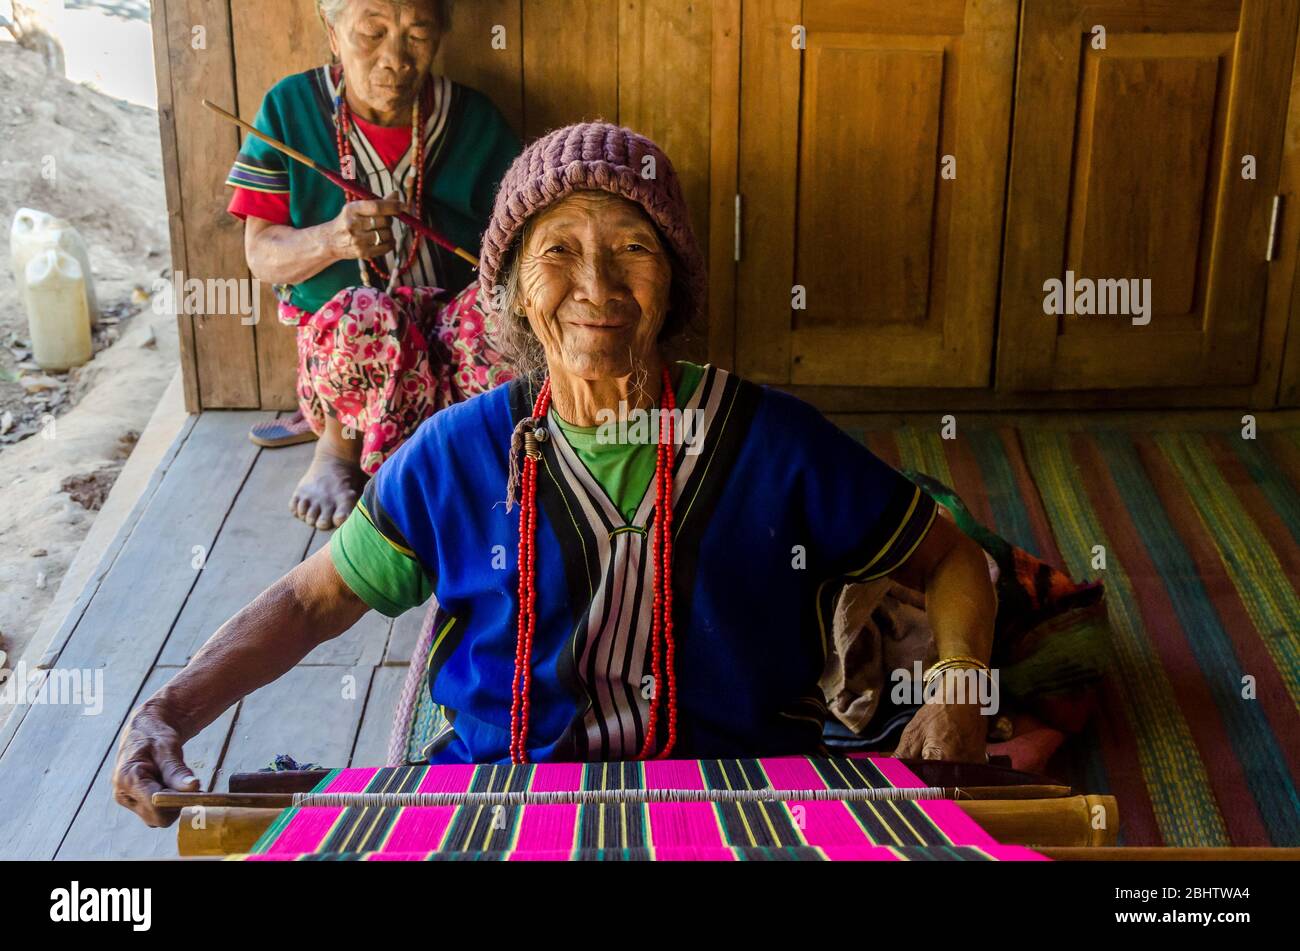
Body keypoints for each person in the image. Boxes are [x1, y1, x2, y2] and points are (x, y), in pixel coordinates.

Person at [114, 122, 996, 827]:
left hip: (737, 803)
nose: (597, 284)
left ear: (675, 286)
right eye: (559, 251)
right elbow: (312, 601)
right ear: (511, 290)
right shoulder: (458, 456)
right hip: (504, 804)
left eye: (633, 250)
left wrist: (958, 684)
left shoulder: (771, 442)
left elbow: (953, 560)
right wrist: (170, 708)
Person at [228, 0, 519, 530]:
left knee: (509, 308)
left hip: (445, 346)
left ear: (441, 36)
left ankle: (446, 446)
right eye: (372, 33)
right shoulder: (291, 108)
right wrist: (331, 240)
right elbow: (261, 254)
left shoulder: (472, 118)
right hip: (349, 354)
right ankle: (337, 452)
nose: (396, 58)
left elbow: (518, 240)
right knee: (367, 312)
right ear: (333, 33)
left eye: (417, 33)